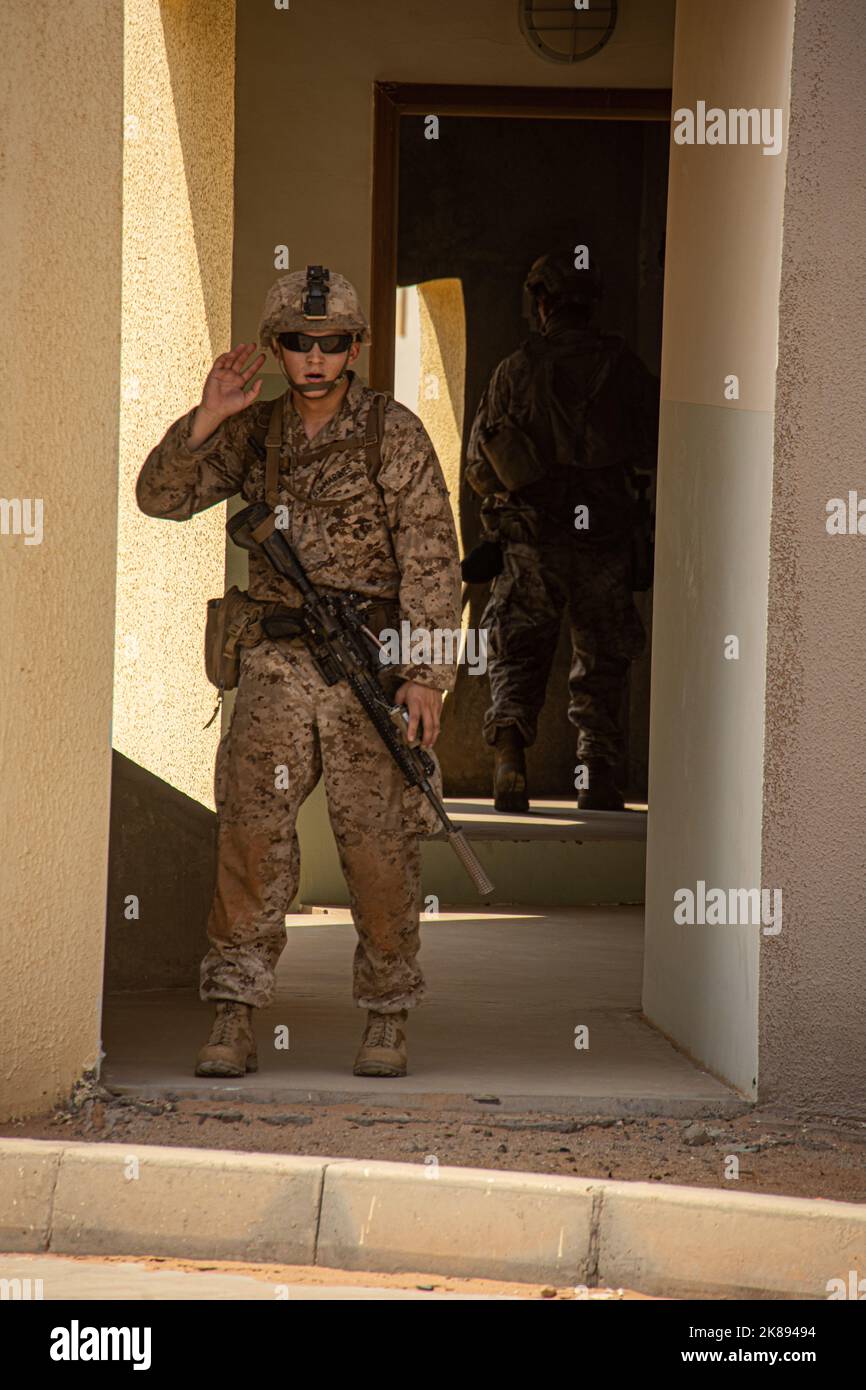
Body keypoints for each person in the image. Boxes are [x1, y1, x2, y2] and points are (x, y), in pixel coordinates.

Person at [136, 266, 461, 1079]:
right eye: (297, 342)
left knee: (379, 846)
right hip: (277, 662)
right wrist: (208, 417)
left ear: (354, 347)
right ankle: (234, 1011)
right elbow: (159, 498)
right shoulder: (257, 432)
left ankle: (387, 1016)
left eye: (333, 343)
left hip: (369, 669)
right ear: (275, 348)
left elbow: (431, 556)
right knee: (251, 837)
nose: (315, 358)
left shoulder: (393, 433)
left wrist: (425, 675)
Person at [465, 251, 659, 813]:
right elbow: (654, 448)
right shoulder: (625, 369)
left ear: (542, 303)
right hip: (604, 542)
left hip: (532, 541)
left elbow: (480, 468)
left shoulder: (515, 370)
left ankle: (509, 764)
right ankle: (596, 774)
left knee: (517, 651)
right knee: (601, 659)